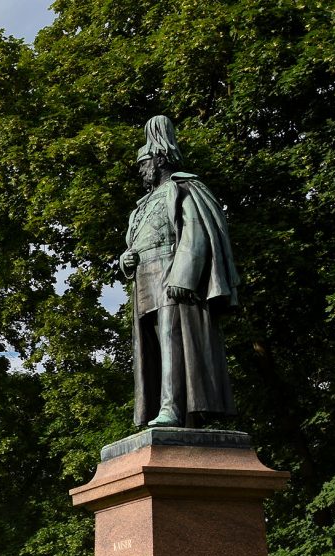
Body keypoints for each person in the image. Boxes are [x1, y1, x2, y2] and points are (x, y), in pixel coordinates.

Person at [120, 115, 240, 428]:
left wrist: (183, 276)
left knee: (172, 341)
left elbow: (195, 232)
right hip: (144, 281)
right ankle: (161, 407)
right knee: (154, 348)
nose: (140, 170)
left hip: (171, 275)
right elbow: (135, 242)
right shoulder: (143, 204)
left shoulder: (184, 189)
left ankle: (172, 408)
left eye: (143, 162)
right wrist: (125, 260)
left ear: (159, 159)